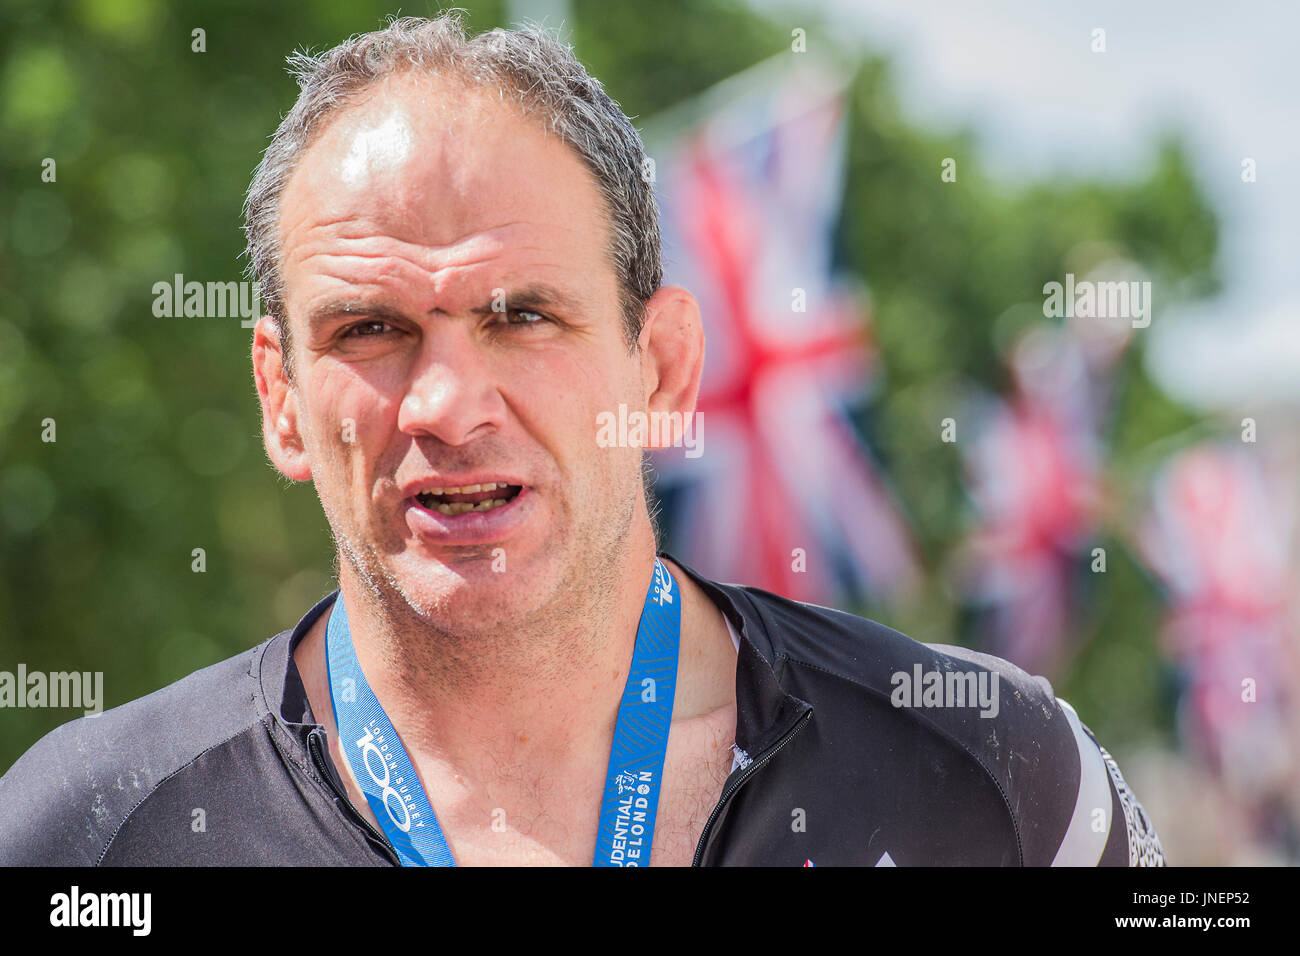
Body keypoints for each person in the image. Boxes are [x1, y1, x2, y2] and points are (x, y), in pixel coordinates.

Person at [0, 13, 1165, 866]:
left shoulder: (988, 774)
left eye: (520, 316)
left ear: (659, 367)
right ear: (280, 397)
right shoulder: (88, 834)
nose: (447, 405)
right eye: (371, 327)